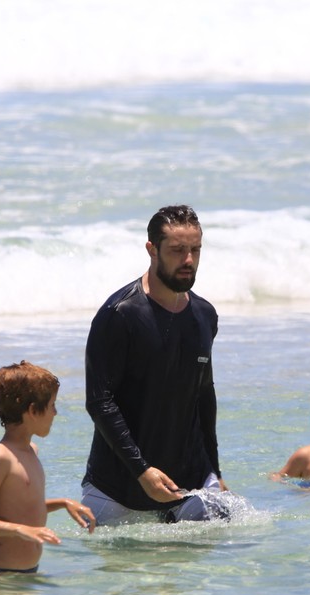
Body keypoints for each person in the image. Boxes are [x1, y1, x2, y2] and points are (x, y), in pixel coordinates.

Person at [81, 205, 229, 525]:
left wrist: (214, 470)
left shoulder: (205, 315)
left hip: (190, 486)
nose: (188, 260)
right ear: (152, 249)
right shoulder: (119, 314)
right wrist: (142, 471)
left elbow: (204, 394)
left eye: (195, 250)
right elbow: (99, 401)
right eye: (177, 250)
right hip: (118, 491)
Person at [0, 361, 95, 576]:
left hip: (27, 572)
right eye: (52, 405)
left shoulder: (31, 451)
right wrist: (20, 529)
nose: (55, 413)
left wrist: (64, 503)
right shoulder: (1, 456)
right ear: (33, 411)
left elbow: (23, 510)